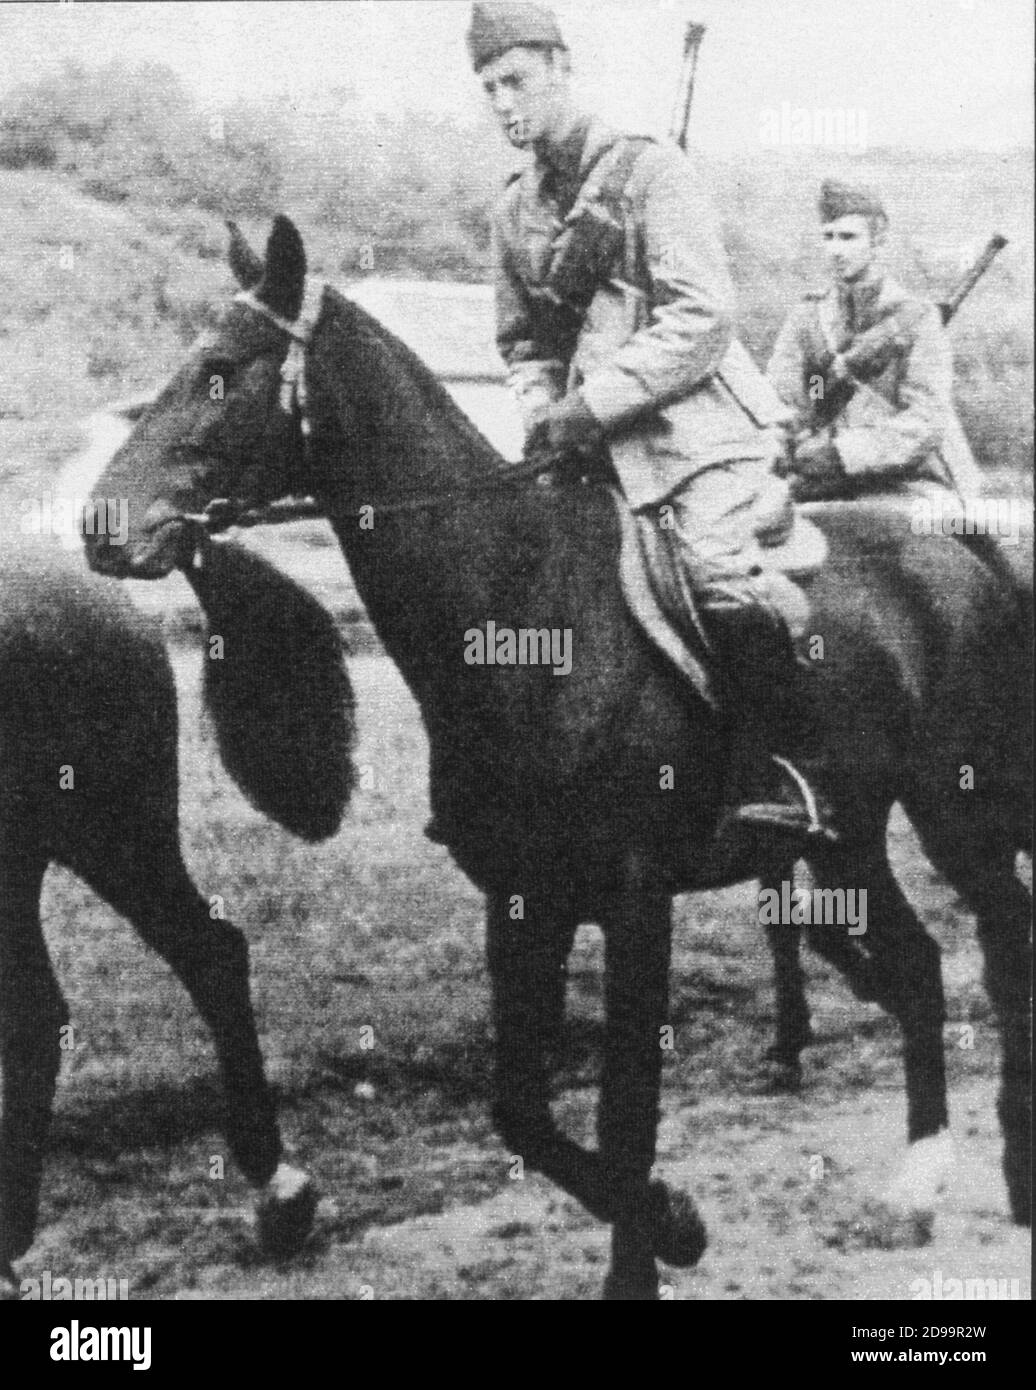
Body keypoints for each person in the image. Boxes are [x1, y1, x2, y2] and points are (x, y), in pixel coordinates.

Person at [467, 0, 835, 847]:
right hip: (583, 451)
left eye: (516, 80)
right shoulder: (512, 210)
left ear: (561, 67)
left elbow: (702, 318)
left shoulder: (651, 172)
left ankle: (795, 772)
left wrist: (589, 405)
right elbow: (520, 340)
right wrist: (540, 408)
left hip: (695, 439)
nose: (503, 103)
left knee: (714, 574)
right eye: (489, 89)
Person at [767, 179, 982, 503]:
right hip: (823, 483)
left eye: (849, 237)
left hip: (909, 482)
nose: (836, 250)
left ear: (878, 241)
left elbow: (925, 421)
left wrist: (841, 453)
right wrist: (781, 449)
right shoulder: (808, 319)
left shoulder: (916, 320)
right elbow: (781, 404)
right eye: (829, 237)